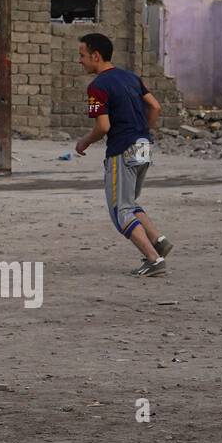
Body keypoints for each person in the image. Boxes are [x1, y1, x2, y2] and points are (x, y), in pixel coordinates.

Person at [74, 32, 173, 276]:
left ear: (96, 56)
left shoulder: (97, 87)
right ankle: (158, 241)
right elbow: (155, 106)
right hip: (143, 146)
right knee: (129, 202)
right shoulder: (131, 77)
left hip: (122, 150)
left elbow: (103, 127)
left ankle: (153, 260)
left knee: (121, 211)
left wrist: (84, 142)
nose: (80, 60)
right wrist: (142, 131)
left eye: (82, 55)